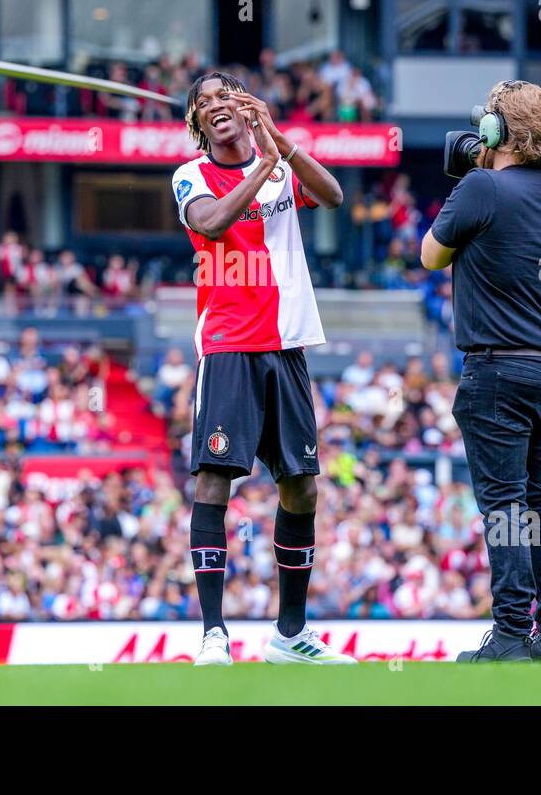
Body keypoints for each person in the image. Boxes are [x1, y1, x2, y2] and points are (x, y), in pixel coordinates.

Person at [171, 72, 353, 666]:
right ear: (198, 124)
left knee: (301, 486)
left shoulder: (280, 163)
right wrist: (262, 166)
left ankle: (290, 634)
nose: (214, 107)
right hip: (227, 347)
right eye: (204, 104)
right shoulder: (190, 175)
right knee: (214, 480)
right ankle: (213, 635)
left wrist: (281, 144)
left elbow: (332, 196)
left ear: (247, 108)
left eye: (225, 97)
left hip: (288, 344)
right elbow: (212, 223)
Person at [420, 79, 541, 662]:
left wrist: (473, 184)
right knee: (536, 500)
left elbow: (429, 254)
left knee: (505, 505)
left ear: (494, 131)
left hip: (497, 369)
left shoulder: (481, 187)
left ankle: (511, 633)